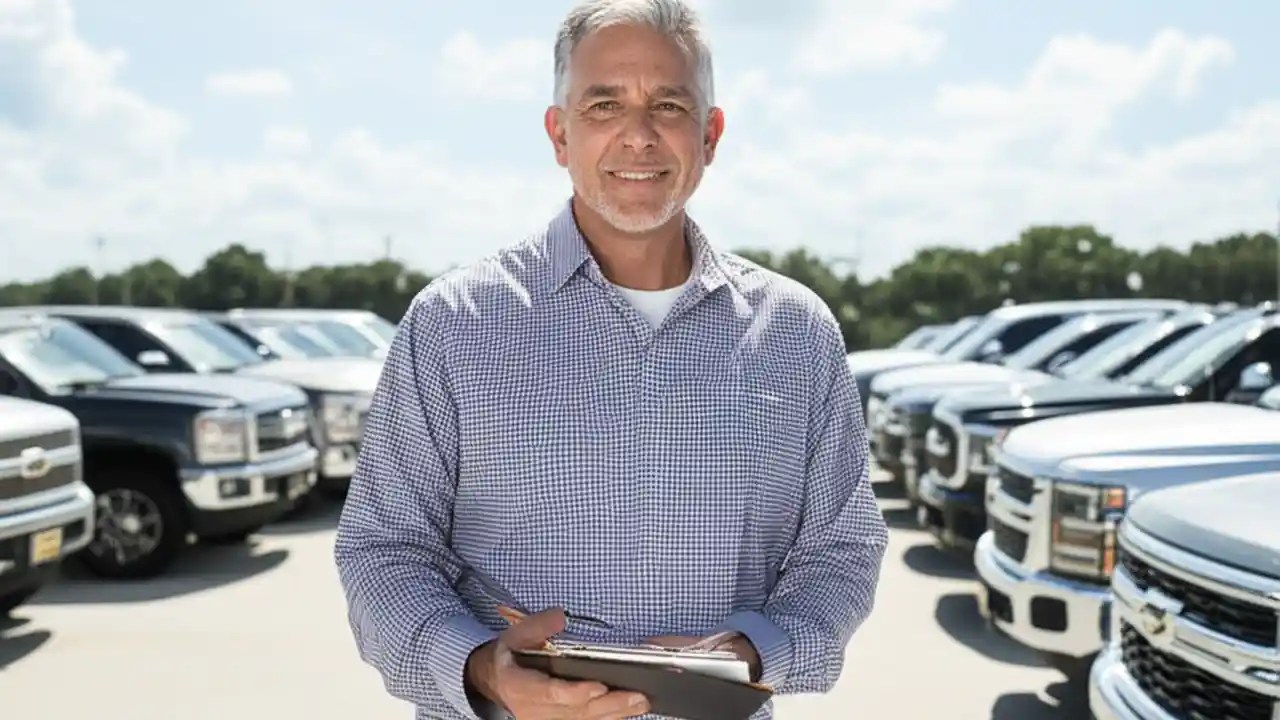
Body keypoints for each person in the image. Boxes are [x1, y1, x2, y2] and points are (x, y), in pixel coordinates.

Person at [333, 1, 889, 718]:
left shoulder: (797, 334)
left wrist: (757, 652)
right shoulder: (452, 324)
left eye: (668, 104)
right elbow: (384, 550)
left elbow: (841, 551)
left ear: (710, 134)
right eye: (604, 104)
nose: (638, 134)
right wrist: (483, 669)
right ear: (559, 133)